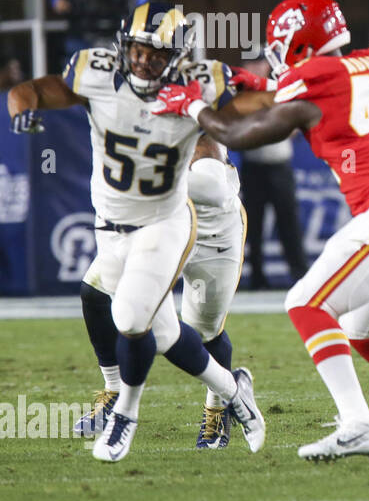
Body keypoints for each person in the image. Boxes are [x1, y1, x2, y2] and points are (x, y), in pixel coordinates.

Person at [155, 0, 369, 465]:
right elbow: (324, 88)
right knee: (364, 332)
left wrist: (193, 108)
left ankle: (358, 424)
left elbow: (241, 135)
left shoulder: (312, 79)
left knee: (305, 303)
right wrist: (257, 82)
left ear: (298, 45)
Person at [6, 2, 264, 461]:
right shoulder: (99, 75)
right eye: (138, 50)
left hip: (185, 224)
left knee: (150, 321)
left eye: (158, 53)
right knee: (155, 330)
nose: (145, 61)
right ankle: (230, 390)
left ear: (179, 59)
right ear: (123, 46)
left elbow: (251, 121)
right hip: (118, 226)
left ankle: (132, 412)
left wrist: (226, 101)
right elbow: (31, 89)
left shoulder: (197, 88)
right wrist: (21, 108)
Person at [75, 130, 247, 450]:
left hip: (212, 232)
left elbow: (215, 188)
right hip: (157, 226)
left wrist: (145, 180)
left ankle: (218, 407)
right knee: (95, 291)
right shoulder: (127, 103)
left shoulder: (195, 113)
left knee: (204, 331)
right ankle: (114, 391)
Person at [235, 59, 309, 290]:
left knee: (289, 221)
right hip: (253, 165)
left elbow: (297, 123)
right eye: (251, 64)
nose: (256, 69)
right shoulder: (240, 92)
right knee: (253, 225)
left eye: (260, 64)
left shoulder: (282, 88)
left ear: (267, 66)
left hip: (279, 164)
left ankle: (300, 275)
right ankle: (256, 276)